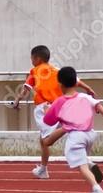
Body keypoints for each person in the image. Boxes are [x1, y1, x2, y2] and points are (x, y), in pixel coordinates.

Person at [11, 45, 96, 179]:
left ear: (37, 59)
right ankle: (43, 168)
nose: (31, 61)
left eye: (31, 58)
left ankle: (82, 160)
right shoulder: (56, 70)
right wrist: (89, 89)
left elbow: (26, 89)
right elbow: (75, 80)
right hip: (61, 105)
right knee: (46, 138)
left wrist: (17, 100)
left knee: (46, 140)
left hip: (44, 108)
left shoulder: (34, 71)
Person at [42, 66, 103, 193]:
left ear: (60, 84)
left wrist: (46, 110)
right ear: (76, 82)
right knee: (81, 159)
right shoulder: (84, 97)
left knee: (80, 165)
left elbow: (48, 120)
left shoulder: (60, 102)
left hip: (76, 137)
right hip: (90, 135)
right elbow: (98, 104)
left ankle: (96, 188)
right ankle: (88, 163)